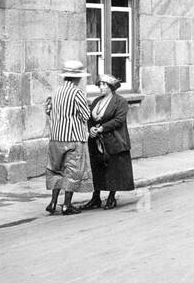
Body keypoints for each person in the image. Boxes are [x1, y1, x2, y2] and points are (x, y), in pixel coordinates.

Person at [44, 60, 92, 215]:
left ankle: (52, 203)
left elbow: (48, 110)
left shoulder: (55, 92)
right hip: (73, 138)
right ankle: (66, 205)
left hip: (55, 137)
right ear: (77, 78)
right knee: (71, 171)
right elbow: (86, 115)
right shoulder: (77, 93)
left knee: (55, 170)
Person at [83, 74, 135, 211]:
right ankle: (96, 197)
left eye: (104, 85)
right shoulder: (96, 101)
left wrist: (102, 128)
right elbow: (90, 118)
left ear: (111, 87)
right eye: (100, 84)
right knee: (97, 169)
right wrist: (92, 129)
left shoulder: (120, 101)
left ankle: (112, 197)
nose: (101, 87)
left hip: (114, 139)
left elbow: (119, 120)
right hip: (97, 141)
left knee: (113, 169)